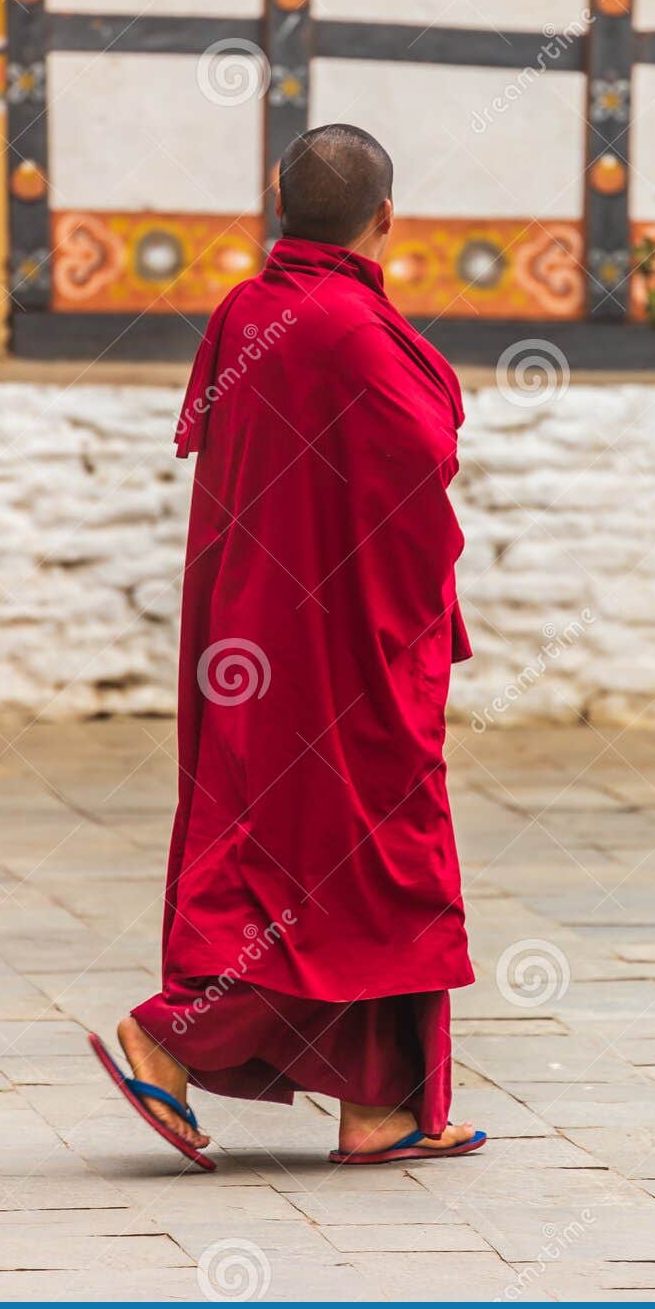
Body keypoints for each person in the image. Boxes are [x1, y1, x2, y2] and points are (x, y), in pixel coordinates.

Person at [90, 123, 483, 1169]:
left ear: (279, 204)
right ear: (386, 217)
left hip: (249, 634)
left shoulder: (245, 311)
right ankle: (168, 1035)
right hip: (341, 645)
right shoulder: (356, 329)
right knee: (360, 853)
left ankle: (379, 1108)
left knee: (298, 851)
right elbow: (423, 464)